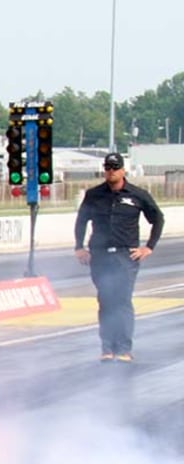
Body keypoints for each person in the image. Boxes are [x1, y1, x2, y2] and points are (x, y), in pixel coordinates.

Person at [73, 152, 165, 363]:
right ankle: (107, 348)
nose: (111, 171)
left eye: (115, 168)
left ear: (123, 170)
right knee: (106, 301)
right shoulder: (94, 195)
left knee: (122, 300)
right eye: (108, 168)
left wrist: (148, 247)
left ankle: (124, 348)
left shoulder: (137, 194)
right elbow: (81, 221)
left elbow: (158, 219)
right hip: (100, 256)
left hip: (126, 256)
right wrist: (79, 247)